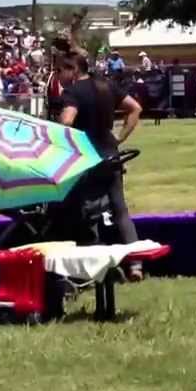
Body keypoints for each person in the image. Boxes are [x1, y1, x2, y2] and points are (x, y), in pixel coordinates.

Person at [56, 52, 144, 277]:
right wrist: (119, 138)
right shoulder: (106, 86)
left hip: (86, 158)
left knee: (85, 212)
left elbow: (67, 121)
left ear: (74, 70)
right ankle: (135, 265)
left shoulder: (72, 92)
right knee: (120, 210)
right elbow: (135, 108)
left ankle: (93, 268)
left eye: (60, 71)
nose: (58, 76)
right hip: (110, 154)